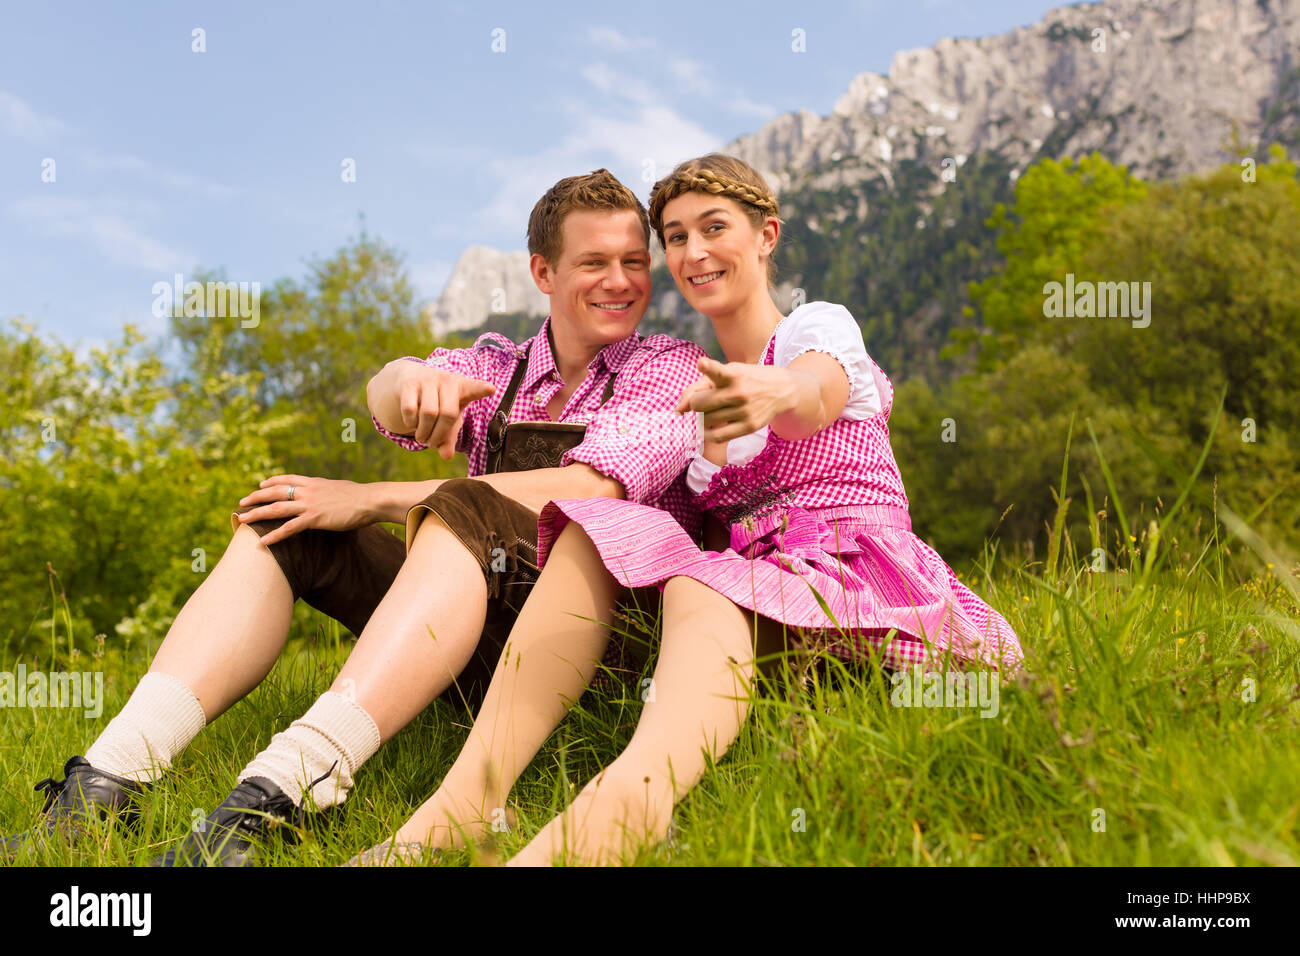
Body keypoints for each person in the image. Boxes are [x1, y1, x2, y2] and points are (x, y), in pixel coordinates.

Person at [3, 169, 704, 866]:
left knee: (466, 503)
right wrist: (407, 380)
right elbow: (387, 394)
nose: (620, 281)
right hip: (472, 636)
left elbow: (590, 485)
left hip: (596, 657)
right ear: (543, 271)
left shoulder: (671, 369)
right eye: (594, 263)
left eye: (633, 262)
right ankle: (102, 789)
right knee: (290, 518)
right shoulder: (500, 365)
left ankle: (272, 800)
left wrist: (368, 496)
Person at [350, 153, 1023, 866]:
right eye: (674, 237)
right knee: (613, 528)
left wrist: (777, 392)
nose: (693, 252)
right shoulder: (687, 398)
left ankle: (614, 814)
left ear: (767, 235)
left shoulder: (813, 332)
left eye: (713, 227)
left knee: (694, 581)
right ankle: (466, 803)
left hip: (855, 582)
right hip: (753, 601)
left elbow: (814, 394)